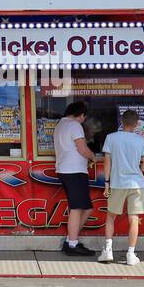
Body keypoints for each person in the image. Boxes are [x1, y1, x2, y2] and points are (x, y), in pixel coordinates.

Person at [98, 109, 144, 266]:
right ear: (136, 124)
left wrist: (106, 182)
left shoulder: (111, 138)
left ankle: (108, 250)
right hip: (136, 184)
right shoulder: (141, 141)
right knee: (133, 218)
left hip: (117, 183)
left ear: (122, 121)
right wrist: (137, 170)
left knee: (111, 216)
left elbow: (107, 162)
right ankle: (130, 254)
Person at [53, 101, 97, 256]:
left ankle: (70, 240)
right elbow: (83, 149)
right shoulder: (74, 125)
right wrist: (94, 157)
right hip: (74, 171)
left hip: (65, 169)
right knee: (77, 208)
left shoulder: (60, 125)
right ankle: (72, 244)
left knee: (84, 207)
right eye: (84, 117)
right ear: (81, 115)